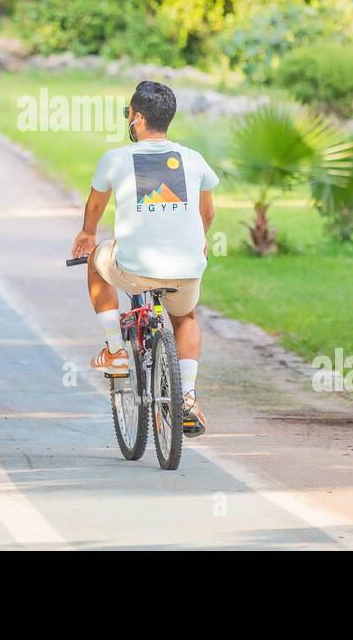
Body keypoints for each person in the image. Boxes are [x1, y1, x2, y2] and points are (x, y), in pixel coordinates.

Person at [70, 81, 218, 437]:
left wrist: (87, 234)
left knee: (97, 260)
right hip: (185, 270)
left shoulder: (116, 158)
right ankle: (186, 397)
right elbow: (207, 214)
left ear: (136, 118)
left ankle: (116, 350)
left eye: (128, 115)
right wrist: (201, 241)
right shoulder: (193, 159)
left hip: (134, 269)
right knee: (185, 319)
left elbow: (95, 205)